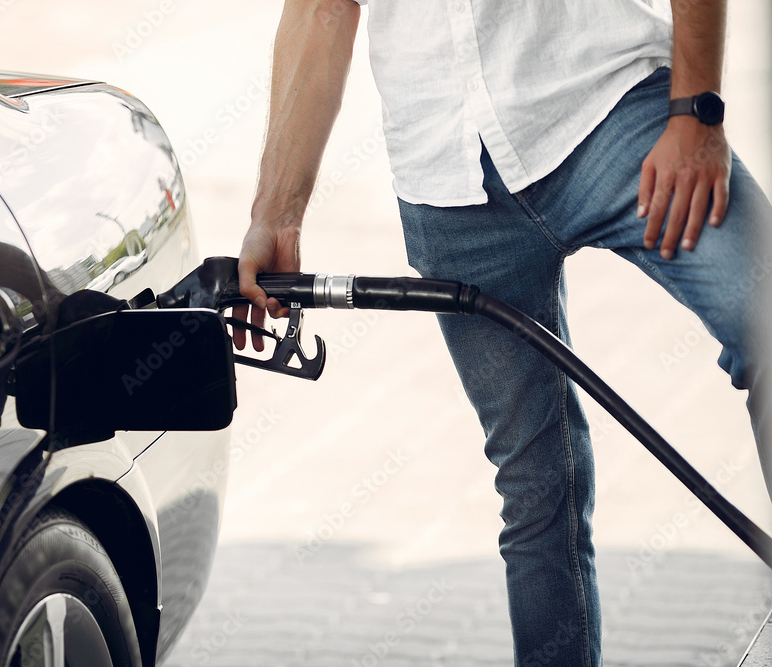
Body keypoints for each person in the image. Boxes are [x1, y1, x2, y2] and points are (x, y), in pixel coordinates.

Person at [232, 1, 772, 665]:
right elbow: (320, 9)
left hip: (604, 104)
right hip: (448, 179)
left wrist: (696, 110)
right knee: (537, 485)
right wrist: (276, 215)